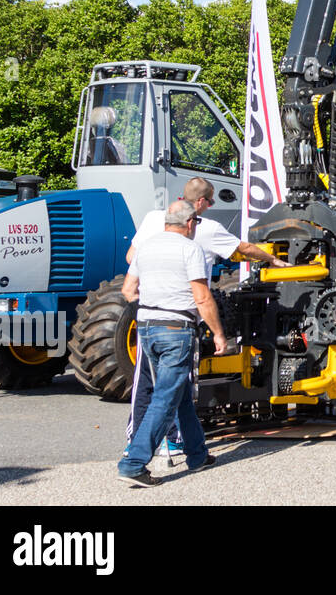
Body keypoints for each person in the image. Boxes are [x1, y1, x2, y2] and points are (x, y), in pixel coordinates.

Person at [123, 177, 287, 453]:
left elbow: (131, 259)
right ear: (200, 203)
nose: (209, 207)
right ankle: (163, 443)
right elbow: (241, 251)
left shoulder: (153, 218)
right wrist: (271, 259)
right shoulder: (205, 230)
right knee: (178, 385)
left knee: (146, 382)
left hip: (148, 317)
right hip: (181, 318)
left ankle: (141, 439)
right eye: (210, 202)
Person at [117, 200, 231, 487]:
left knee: (178, 395)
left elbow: (128, 290)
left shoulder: (146, 247)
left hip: (146, 327)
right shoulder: (189, 249)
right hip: (176, 329)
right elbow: (202, 297)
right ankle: (133, 462)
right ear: (190, 222)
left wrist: (153, 304)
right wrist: (218, 333)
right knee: (166, 397)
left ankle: (197, 455)